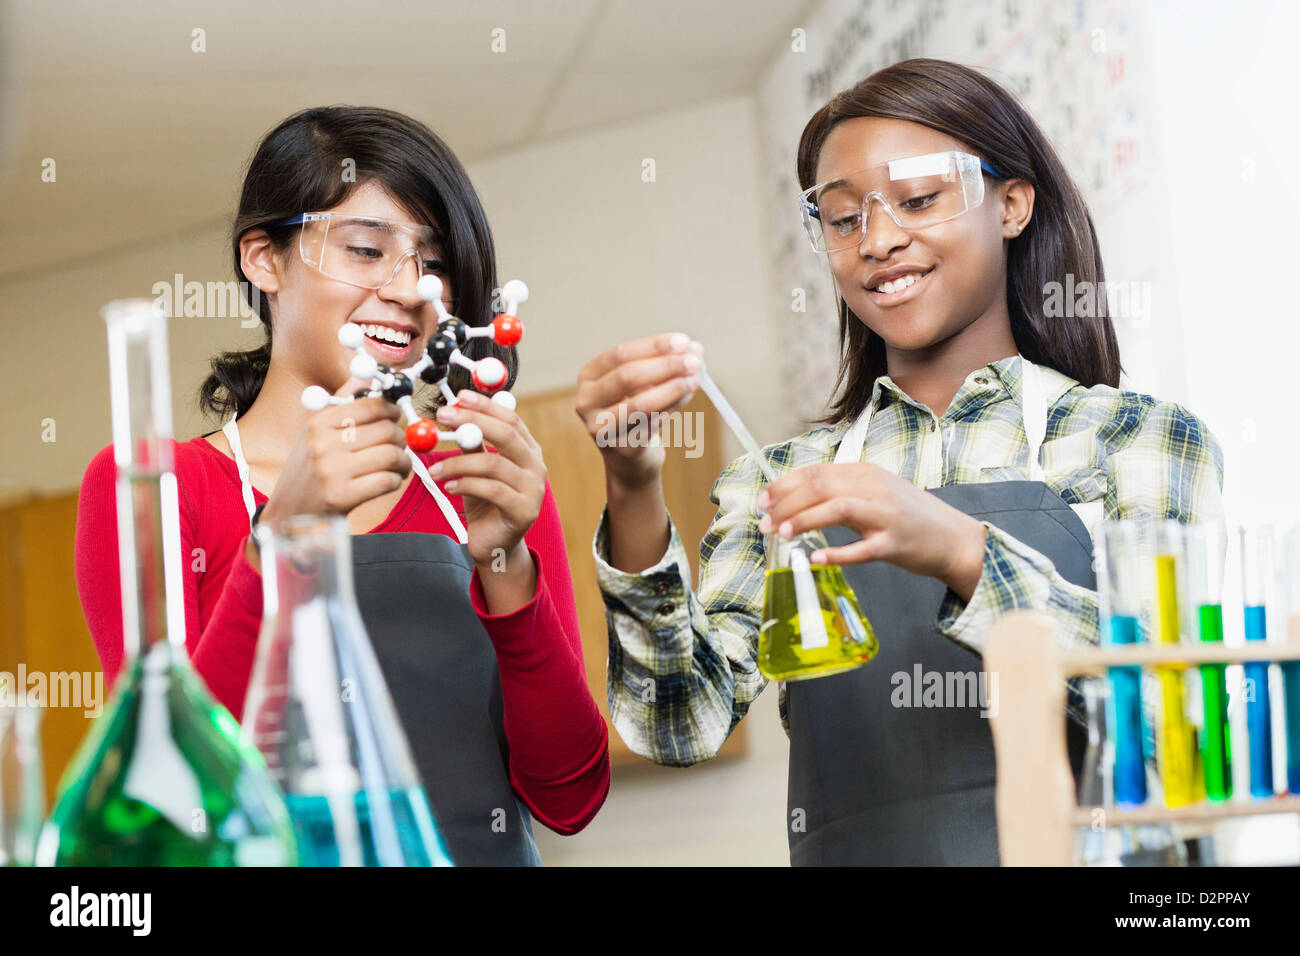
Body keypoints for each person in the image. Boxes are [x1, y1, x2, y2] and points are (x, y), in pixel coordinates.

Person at [575, 59, 1224, 865]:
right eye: (842, 219)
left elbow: (1185, 724)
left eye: (918, 199)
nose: (877, 240)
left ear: (1012, 204)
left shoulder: (1136, 440)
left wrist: (961, 552)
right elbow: (679, 723)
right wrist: (634, 488)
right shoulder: (780, 479)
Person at [76, 106, 610, 865]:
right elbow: (175, 798)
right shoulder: (159, 488)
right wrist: (281, 540)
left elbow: (569, 798)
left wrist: (508, 568)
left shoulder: (479, 484)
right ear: (264, 259)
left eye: (434, 262)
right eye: (367, 249)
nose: (409, 289)